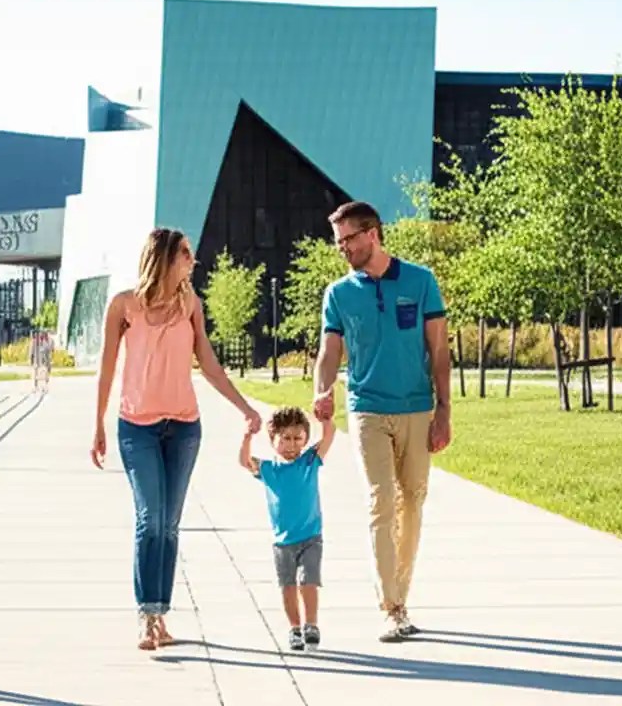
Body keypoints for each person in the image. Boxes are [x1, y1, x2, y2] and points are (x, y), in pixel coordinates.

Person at [91, 227, 263, 651]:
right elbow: (107, 367)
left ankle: (160, 615)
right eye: (185, 252)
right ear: (165, 257)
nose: (193, 258)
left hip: (184, 428)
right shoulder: (124, 306)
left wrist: (244, 407)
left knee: (168, 525)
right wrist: (98, 424)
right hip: (137, 428)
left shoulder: (191, 305)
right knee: (150, 518)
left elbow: (209, 363)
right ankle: (146, 614)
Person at [312, 200, 452, 643]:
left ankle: (401, 595)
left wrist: (444, 409)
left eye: (348, 239)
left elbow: (439, 350)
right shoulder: (338, 293)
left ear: (372, 233)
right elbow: (329, 352)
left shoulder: (421, 281)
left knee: (412, 501)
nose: (342, 249)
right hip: (367, 408)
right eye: (338, 242)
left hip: (417, 407)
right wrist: (322, 389)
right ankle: (391, 606)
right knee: (381, 500)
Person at [238, 406, 335, 651]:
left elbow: (329, 436)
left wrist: (325, 419)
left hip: (311, 536)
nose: (291, 444)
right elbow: (245, 461)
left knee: (309, 581)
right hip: (283, 542)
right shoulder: (269, 469)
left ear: (305, 439)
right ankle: (294, 628)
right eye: (285, 438)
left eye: (297, 438)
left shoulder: (310, 461)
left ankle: (311, 625)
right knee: (288, 586)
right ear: (273, 440)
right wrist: (247, 436)